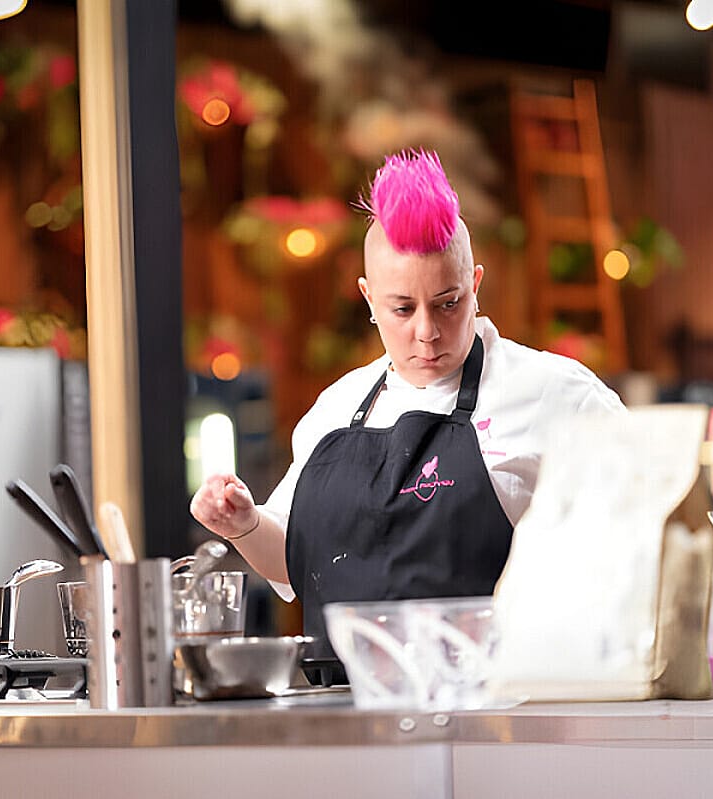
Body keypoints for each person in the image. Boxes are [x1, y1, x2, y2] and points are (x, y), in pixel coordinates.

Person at [190, 148, 624, 655]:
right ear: (368, 298)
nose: (426, 332)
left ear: (475, 285)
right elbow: (292, 560)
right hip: (342, 697)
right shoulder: (335, 411)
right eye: (402, 308)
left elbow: (643, 537)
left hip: (497, 697)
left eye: (448, 303)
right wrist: (243, 525)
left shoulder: (558, 395)